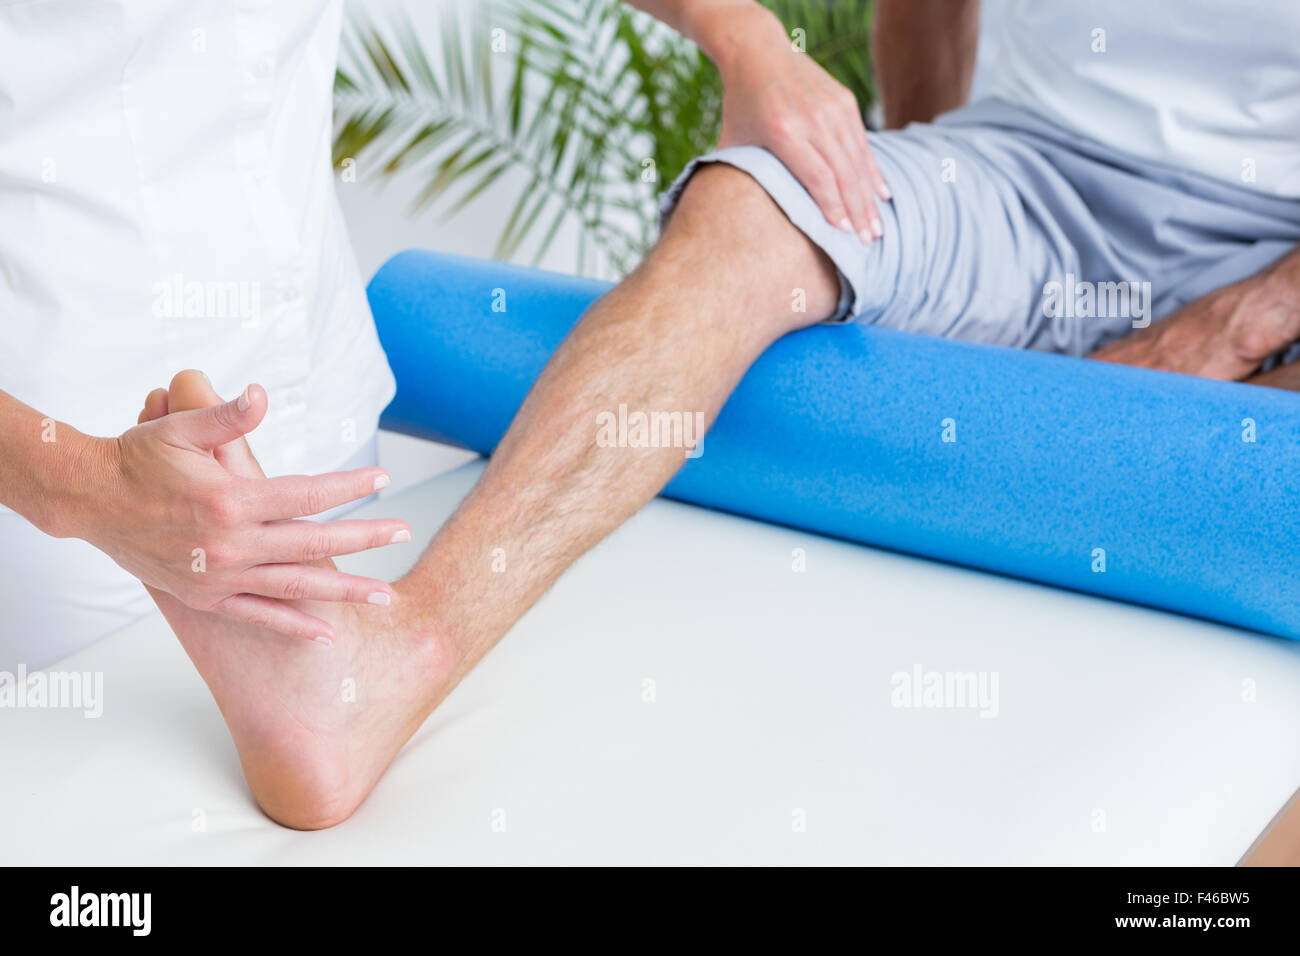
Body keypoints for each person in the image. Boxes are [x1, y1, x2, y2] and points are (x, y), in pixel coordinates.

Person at [20, 0, 1300, 830]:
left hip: (1282, 242)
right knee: (753, 201)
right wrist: (78, 484)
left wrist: (743, 37)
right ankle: (388, 660)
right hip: (50, 424)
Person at [0, 0, 875, 670]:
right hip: (72, 478)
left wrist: (743, 36)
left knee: (329, 745)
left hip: (317, 410)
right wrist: (90, 488)